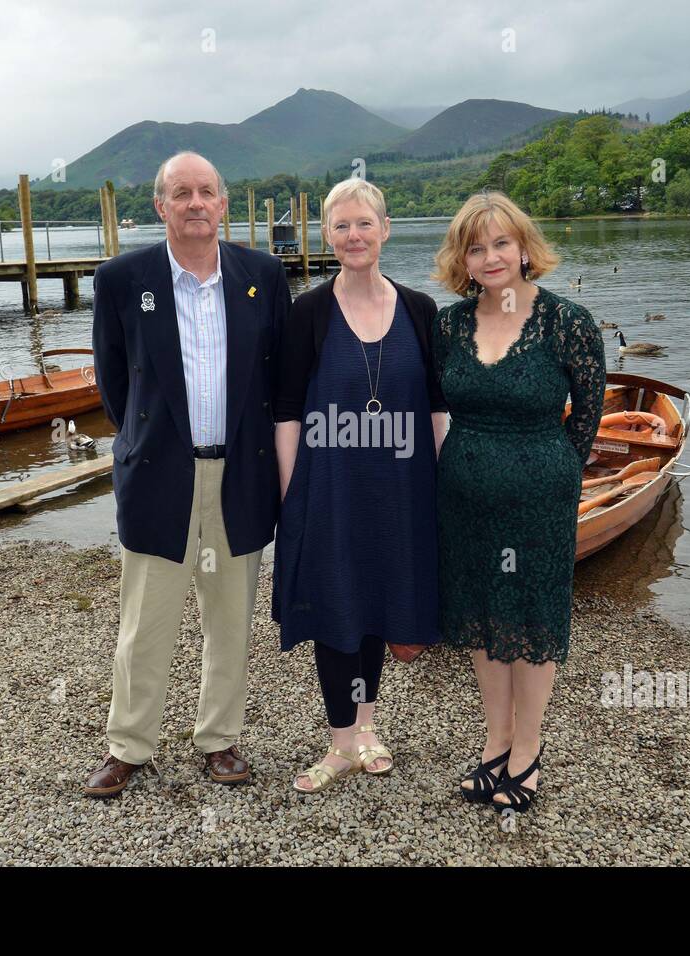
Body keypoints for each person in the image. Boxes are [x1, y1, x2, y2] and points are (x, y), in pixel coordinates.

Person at [84, 151, 291, 797]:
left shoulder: (262, 275)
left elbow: (279, 380)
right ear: (162, 206)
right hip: (158, 475)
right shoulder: (122, 279)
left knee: (230, 622)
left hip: (240, 474)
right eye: (182, 193)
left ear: (223, 204)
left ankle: (219, 740)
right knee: (145, 625)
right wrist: (149, 443)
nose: (195, 202)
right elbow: (115, 384)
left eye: (207, 191)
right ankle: (128, 746)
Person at [431, 191, 606, 813]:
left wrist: (559, 468)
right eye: (476, 246)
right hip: (464, 496)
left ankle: (527, 751)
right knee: (483, 617)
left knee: (532, 618)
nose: (490, 255)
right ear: (463, 258)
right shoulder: (449, 325)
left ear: (525, 247)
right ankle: (495, 741)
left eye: (502, 242)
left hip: (540, 498)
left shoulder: (567, 322)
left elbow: (588, 412)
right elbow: (439, 405)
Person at [273, 178, 447, 794]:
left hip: (401, 491)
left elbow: (436, 409)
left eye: (364, 224)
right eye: (342, 226)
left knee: (378, 604)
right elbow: (288, 409)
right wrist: (295, 494)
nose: (354, 236)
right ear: (327, 235)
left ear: (385, 229)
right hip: (331, 491)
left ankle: (368, 729)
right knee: (335, 609)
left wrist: (438, 483)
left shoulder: (421, 311)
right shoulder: (309, 313)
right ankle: (340, 742)